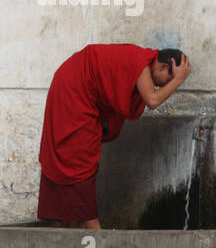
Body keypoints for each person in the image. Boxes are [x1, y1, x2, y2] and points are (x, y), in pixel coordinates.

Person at [37, 44, 191, 229]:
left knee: (83, 152)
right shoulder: (141, 63)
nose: (161, 86)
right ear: (163, 67)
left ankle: (76, 227)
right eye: (166, 80)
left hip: (80, 90)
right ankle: (92, 228)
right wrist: (179, 79)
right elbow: (152, 99)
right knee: (77, 155)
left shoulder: (142, 60)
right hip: (74, 92)